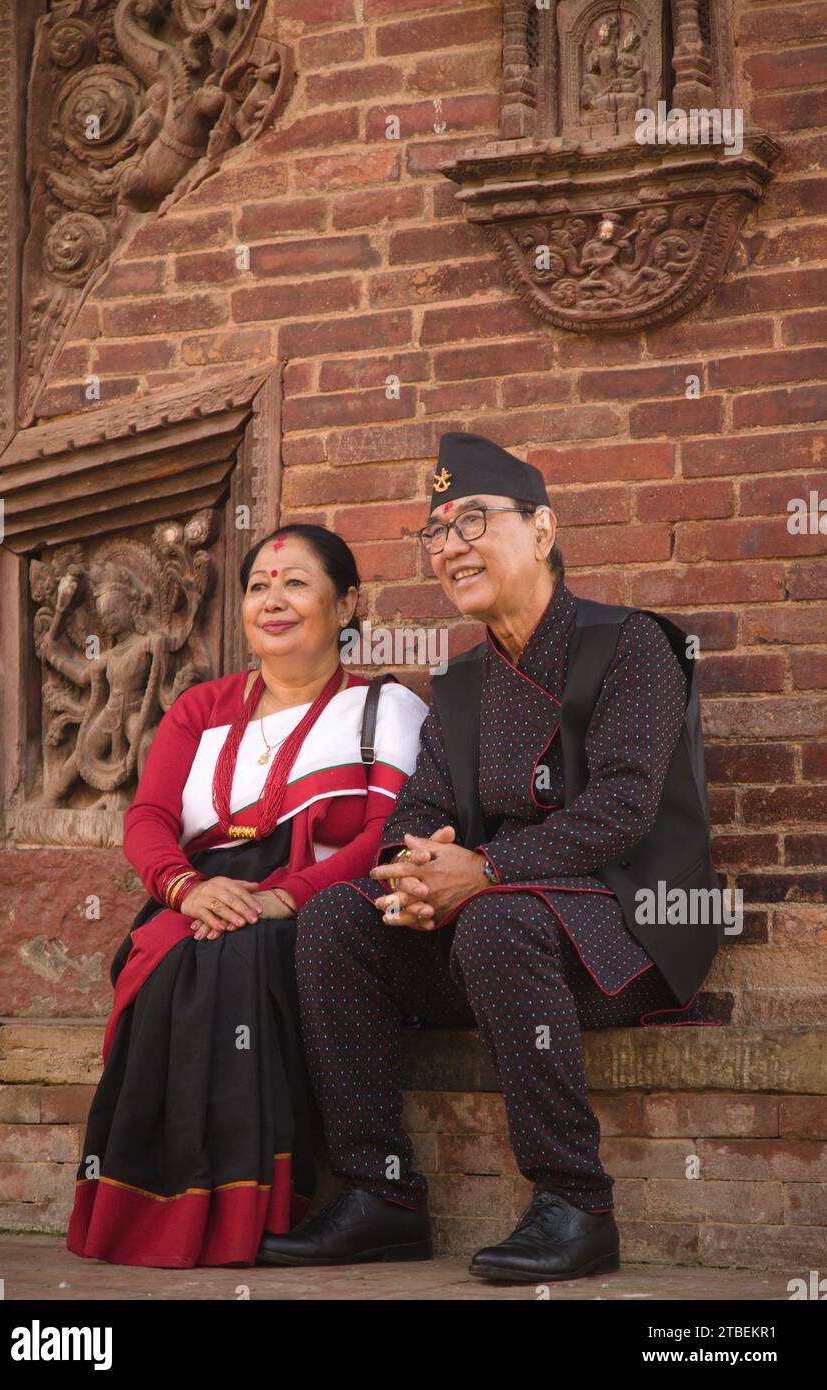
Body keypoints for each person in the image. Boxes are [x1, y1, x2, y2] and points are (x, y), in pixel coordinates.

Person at [256, 432, 724, 1282]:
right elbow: (422, 811)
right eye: (436, 533)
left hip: (628, 934)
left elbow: (622, 809)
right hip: (494, 935)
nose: (452, 547)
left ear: (542, 531)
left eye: (474, 520)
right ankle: (379, 1195)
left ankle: (577, 1204)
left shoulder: (634, 647)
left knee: (499, 920)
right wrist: (416, 870)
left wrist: (488, 871)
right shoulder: (464, 682)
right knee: (335, 919)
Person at [66, 524, 428, 1268]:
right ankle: (152, 1211)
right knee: (174, 959)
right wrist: (185, 888)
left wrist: (285, 897)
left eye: (296, 583)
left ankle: (242, 1213)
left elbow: (385, 836)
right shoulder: (201, 707)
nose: (273, 600)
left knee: (240, 952)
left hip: (321, 907)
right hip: (200, 895)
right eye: (259, 586)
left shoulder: (385, 709)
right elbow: (149, 818)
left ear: (347, 602)